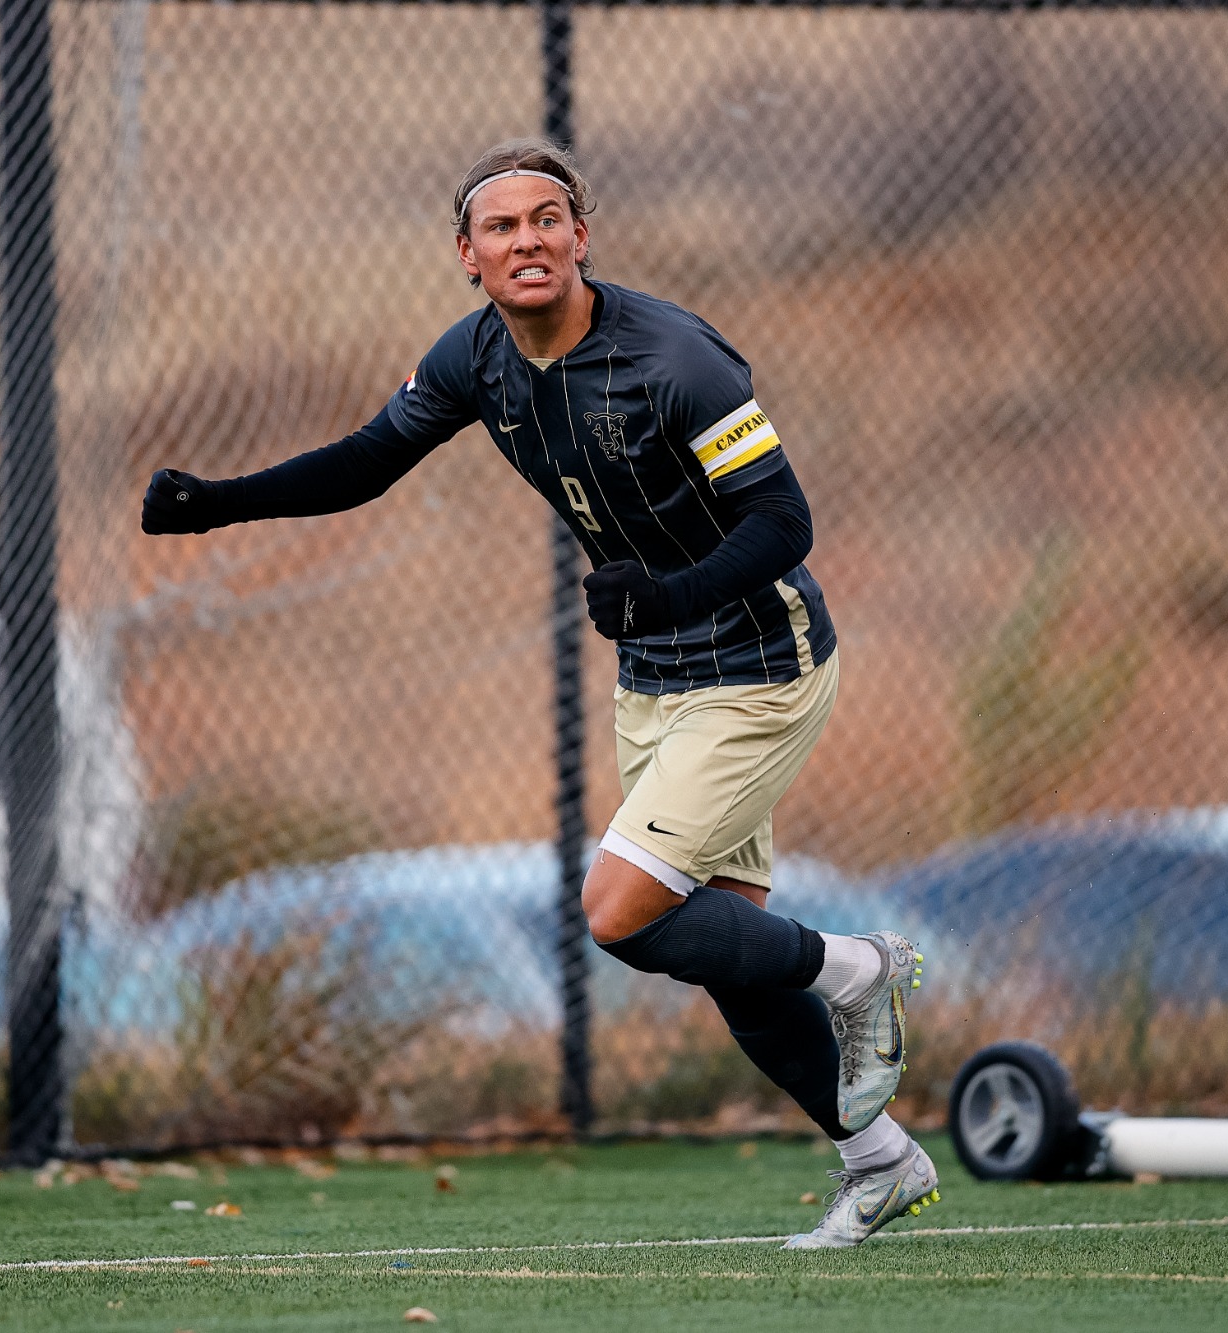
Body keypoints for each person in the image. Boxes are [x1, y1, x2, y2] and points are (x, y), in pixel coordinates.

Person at [139, 137, 937, 1248]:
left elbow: (782, 524)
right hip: (655, 678)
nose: (528, 239)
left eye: (546, 218)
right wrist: (218, 502)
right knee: (721, 950)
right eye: (501, 226)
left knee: (619, 911)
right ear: (466, 255)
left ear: (581, 234)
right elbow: (368, 459)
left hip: (760, 666)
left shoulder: (673, 359)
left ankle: (859, 966)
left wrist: (667, 593)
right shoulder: (475, 357)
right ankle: (878, 1160)